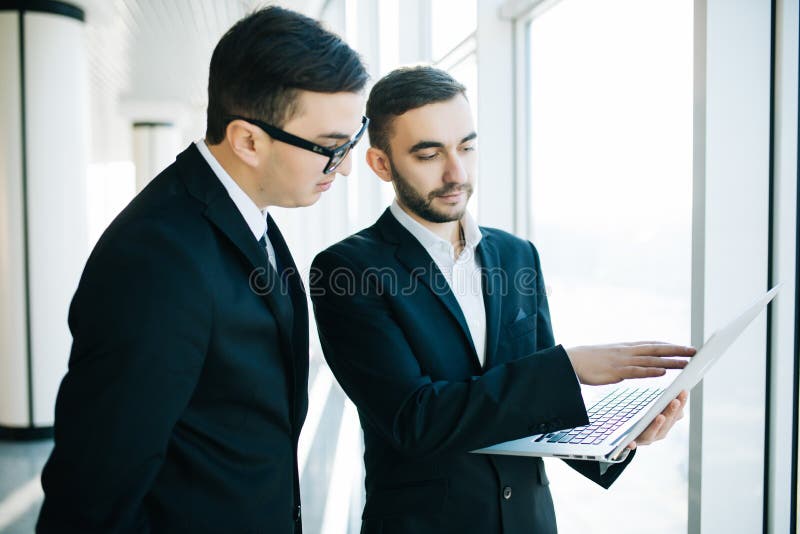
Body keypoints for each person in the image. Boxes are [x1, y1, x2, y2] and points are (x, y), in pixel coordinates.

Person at [309, 66, 692, 534]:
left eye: (466, 147)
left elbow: (537, 411)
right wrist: (567, 368)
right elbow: (416, 420)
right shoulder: (347, 271)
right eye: (429, 154)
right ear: (381, 164)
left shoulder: (516, 255)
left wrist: (619, 440)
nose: (457, 173)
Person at [37, 7, 367, 533]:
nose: (347, 165)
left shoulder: (246, 215)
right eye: (331, 148)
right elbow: (93, 493)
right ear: (247, 141)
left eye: (355, 137)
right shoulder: (155, 262)